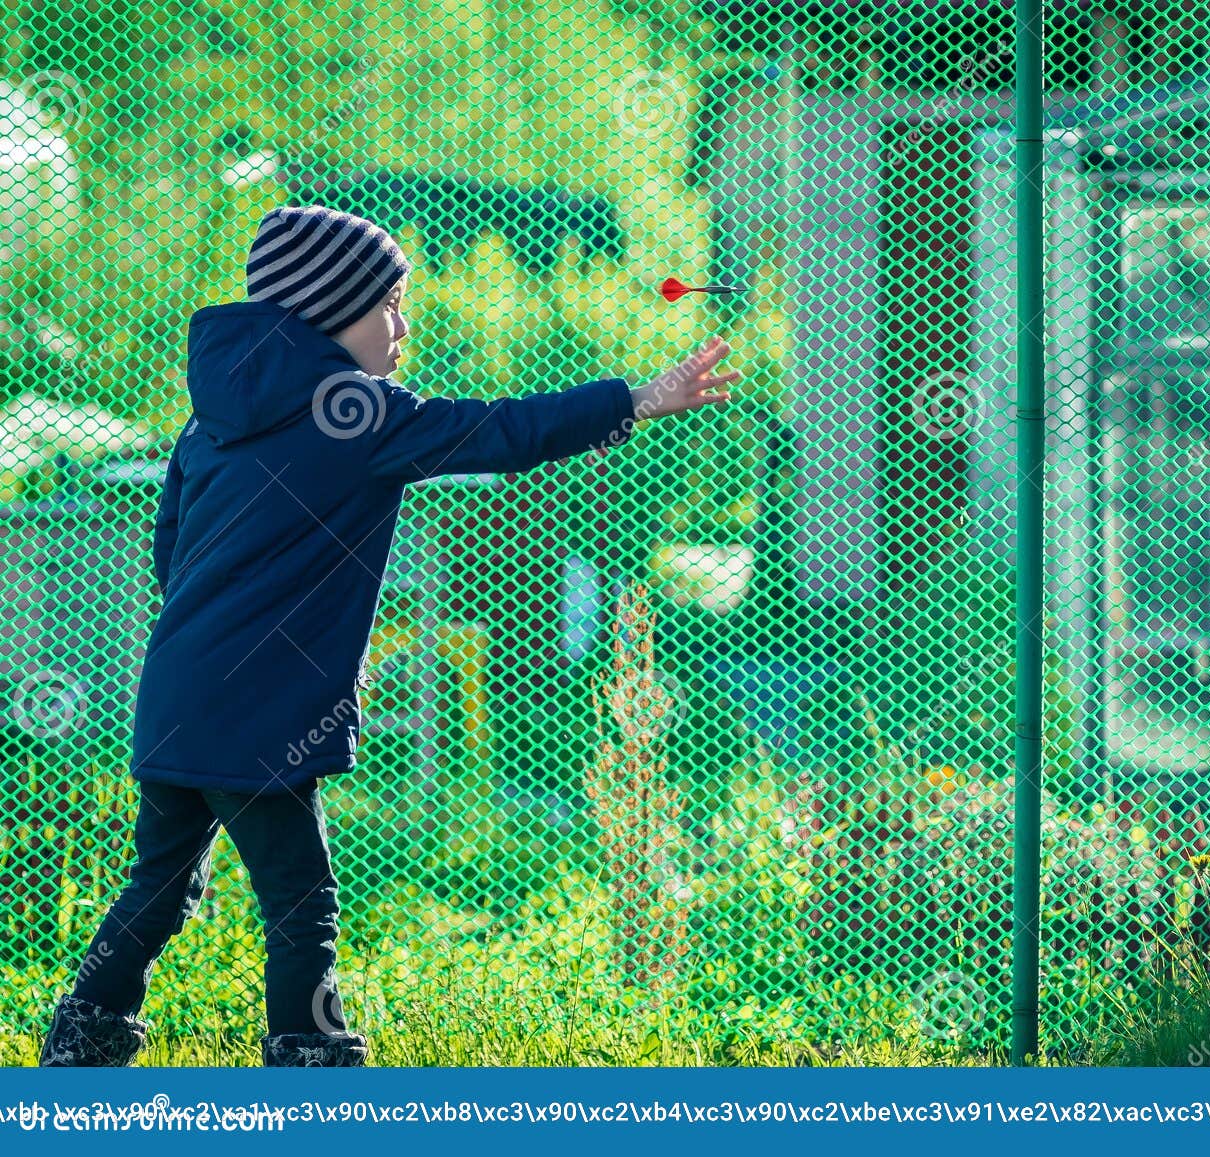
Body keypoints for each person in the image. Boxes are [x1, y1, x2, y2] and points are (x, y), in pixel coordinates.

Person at [36, 205, 738, 1067]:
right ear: (331, 308)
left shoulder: (206, 417)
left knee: (162, 882)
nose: (402, 327)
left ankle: (82, 1036)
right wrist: (637, 398)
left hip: (177, 693)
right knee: (301, 896)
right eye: (389, 304)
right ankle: (309, 1054)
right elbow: (499, 431)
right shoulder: (357, 412)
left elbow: (170, 551)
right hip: (260, 714)